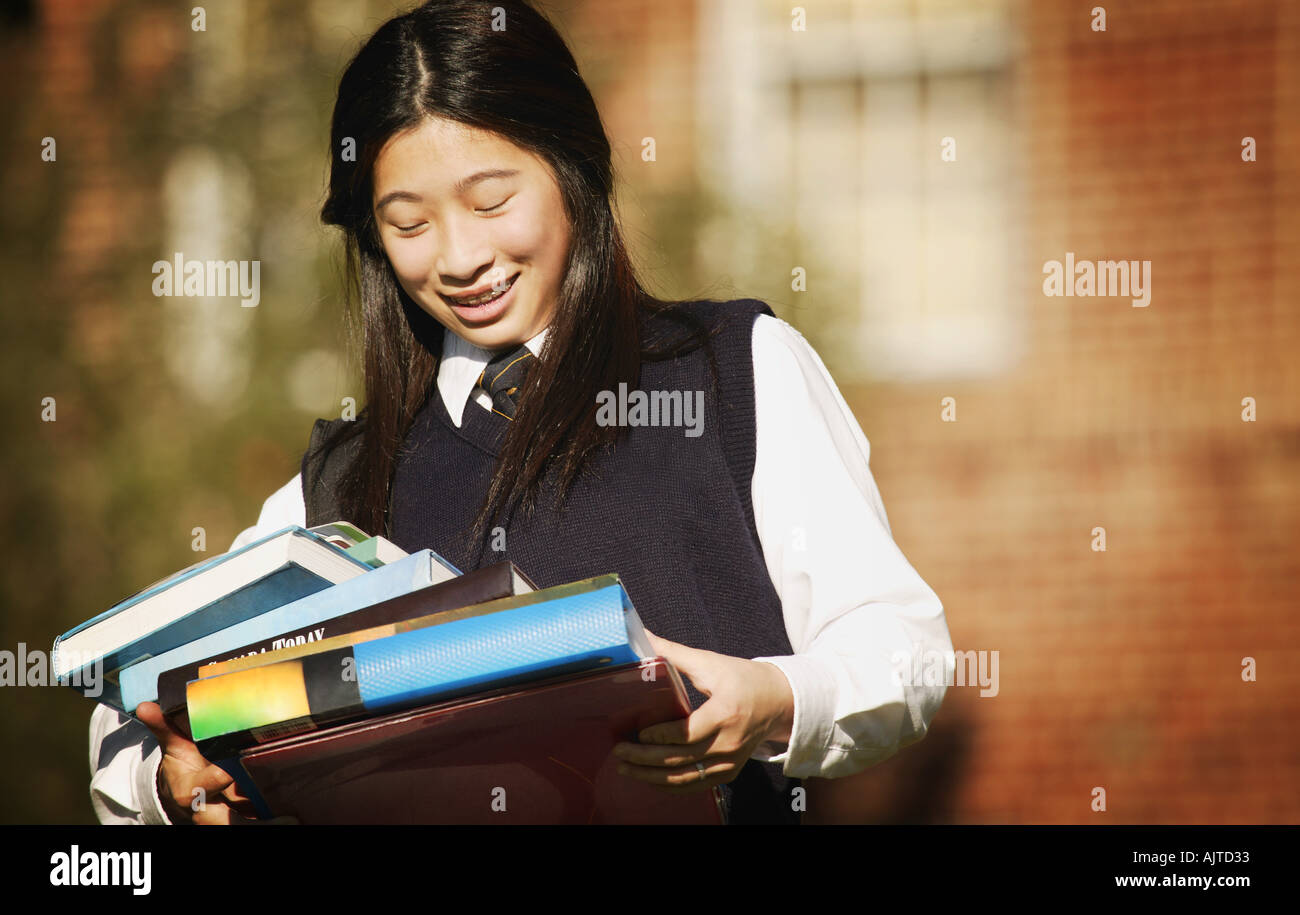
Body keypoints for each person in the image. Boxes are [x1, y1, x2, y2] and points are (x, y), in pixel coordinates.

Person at [89, 0, 953, 825]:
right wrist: (168, 784)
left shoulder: (739, 373)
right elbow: (133, 710)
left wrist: (778, 702)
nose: (462, 257)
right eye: (408, 223)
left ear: (575, 168)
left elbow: (901, 648)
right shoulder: (338, 487)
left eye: (492, 200)